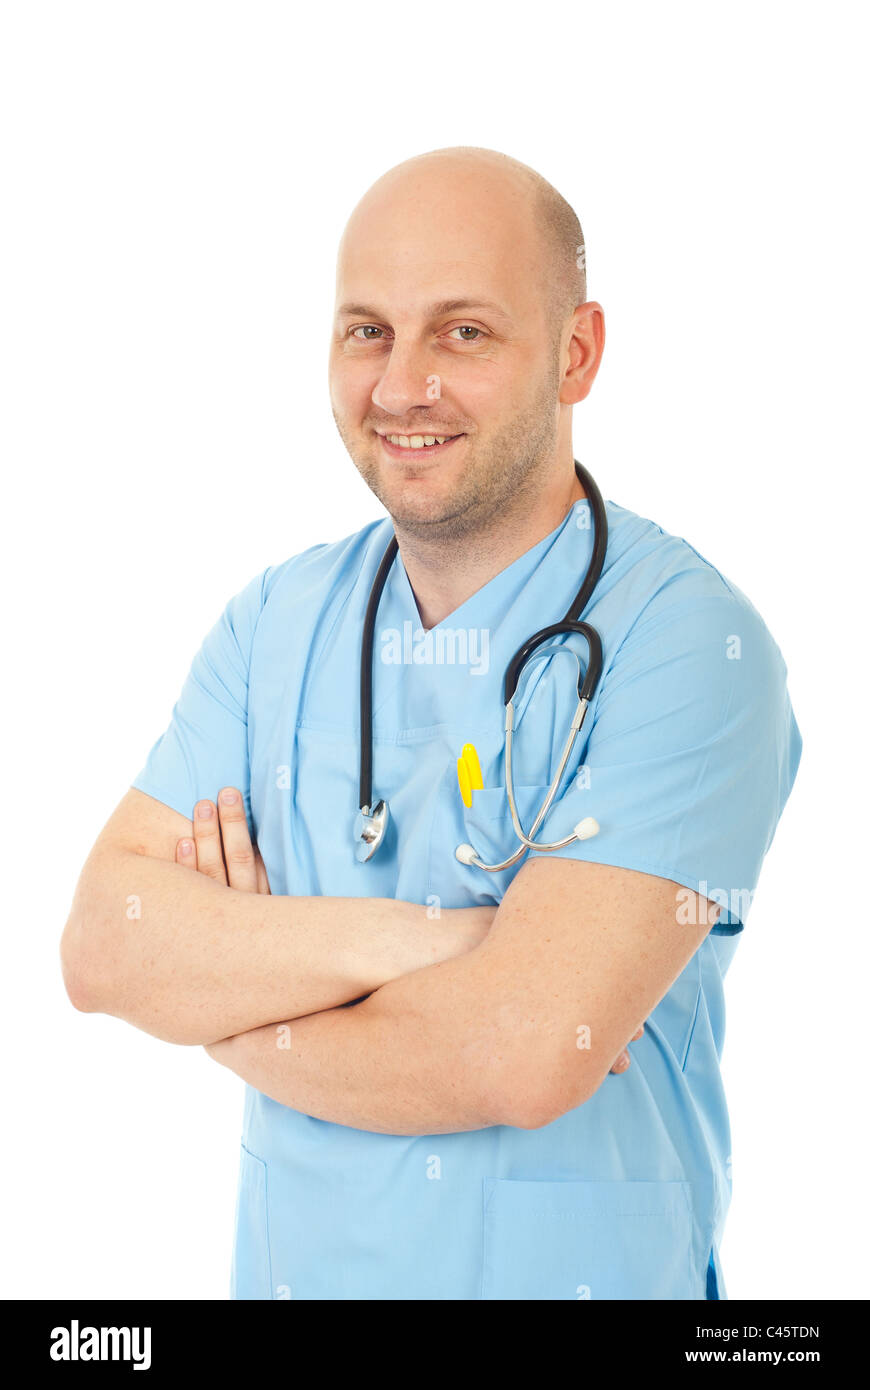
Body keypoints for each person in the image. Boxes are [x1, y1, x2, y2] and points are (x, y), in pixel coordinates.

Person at [61, 146, 802, 1301]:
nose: (403, 386)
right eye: (368, 331)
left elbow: (524, 1052)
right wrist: (419, 941)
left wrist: (227, 1006)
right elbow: (107, 946)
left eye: (463, 332)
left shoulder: (686, 647)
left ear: (577, 352)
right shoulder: (273, 626)